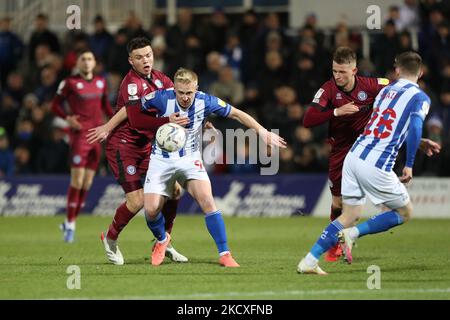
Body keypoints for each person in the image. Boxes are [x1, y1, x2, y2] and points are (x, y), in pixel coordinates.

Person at [297, 51, 440, 275]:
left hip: (353, 157)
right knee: (404, 212)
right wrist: (410, 162)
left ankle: (309, 260)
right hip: (376, 163)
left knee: (349, 214)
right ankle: (353, 234)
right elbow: (413, 126)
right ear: (421, 73)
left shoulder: (385, 93)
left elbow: (381, 126)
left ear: (397, 71)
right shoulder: (420, 97)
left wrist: (416, 140)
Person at [138, 68, 286, 267]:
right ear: (174, 88)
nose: (184, 97)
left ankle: (225, 254)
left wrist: (261, 131)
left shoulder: (205, 101)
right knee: (151, 210)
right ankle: (163, 240)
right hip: (161, 160)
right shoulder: (161, 98)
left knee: (208, 201)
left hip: (190, 159)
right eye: (180, 92)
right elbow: (132, 111)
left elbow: (237, 114)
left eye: (189, 92)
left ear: (196, 89)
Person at [86, 37, 189, 265]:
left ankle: (164, 241)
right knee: (137, 201)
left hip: (148, 145)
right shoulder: (131, 84)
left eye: (149, 55)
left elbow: (179, 101)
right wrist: (166, 120)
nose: (146, 60)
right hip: (124, 146)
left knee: (175, 191)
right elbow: (135, 120)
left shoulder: (161, 79)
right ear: (131, 61)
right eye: (140, 57)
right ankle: (110, 239)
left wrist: (200, 121)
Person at [51, 49, 113, 243]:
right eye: (83, 59)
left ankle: (70, 221)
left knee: (86, 184)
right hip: (80, 136)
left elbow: (105, 107)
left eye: (90, 59)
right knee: (76, 181)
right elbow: (55, 105)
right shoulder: (69, 83)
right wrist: (67, 118)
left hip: (97, 137)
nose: (87, 62)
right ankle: (70, 224)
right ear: (77, 63)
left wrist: (115, 121)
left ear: (94, 63)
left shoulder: (101, 82)